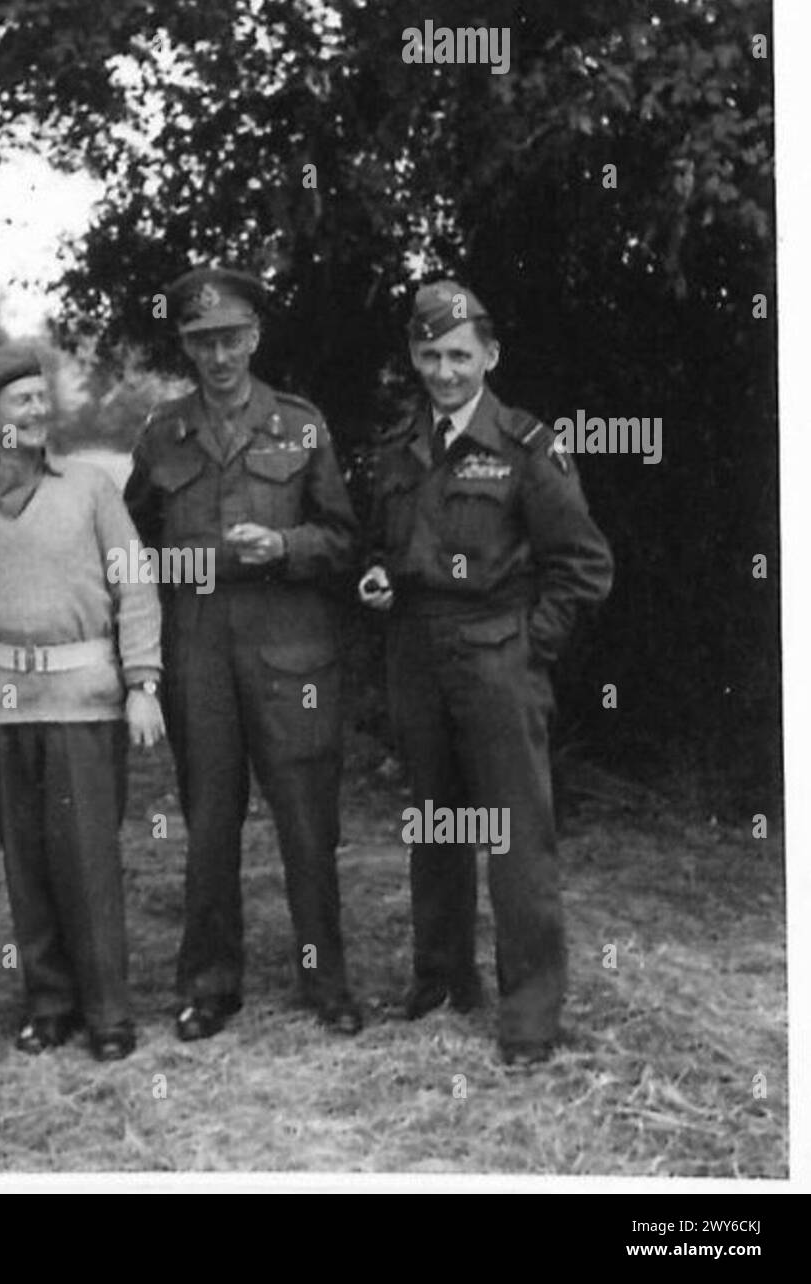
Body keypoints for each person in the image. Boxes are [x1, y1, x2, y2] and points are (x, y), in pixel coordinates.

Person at [359, 280, 613, 1064]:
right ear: (413, 356)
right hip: (418, 653)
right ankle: (440, 982)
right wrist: (377, 575)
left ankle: (530, 1013)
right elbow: (383, 543)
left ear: (490, 355)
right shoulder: (400, 446)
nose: (444, 371)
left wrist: (529, 647)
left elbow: (585, 564)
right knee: (435, 827)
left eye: (460, 355)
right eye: (430, 355)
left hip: (499, 656)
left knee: (515, 839)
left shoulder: (529, 446)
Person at [124, 267, 363, 1041]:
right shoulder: (164, 431)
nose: (218, 355)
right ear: (186, 348)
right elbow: (136, 547)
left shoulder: (300, 423)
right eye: (202, 342)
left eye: (230, 339)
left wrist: (284, 546)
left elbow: (343, 538)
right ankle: (209, 985)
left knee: (306, 821)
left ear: (254, 338)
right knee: (210, 822)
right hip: (199, 650)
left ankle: (327, 981)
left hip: (290, 650)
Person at [0, 344, 165, 1062]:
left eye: (40, 397)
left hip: (84, 702)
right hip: (0, 709)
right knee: (24, 861)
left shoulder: (91, 488)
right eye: (19, 400)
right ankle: (48, 1003)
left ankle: (108, 1012)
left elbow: (135, 585)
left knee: (86, 860)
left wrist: (143, 684)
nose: (37, 411)